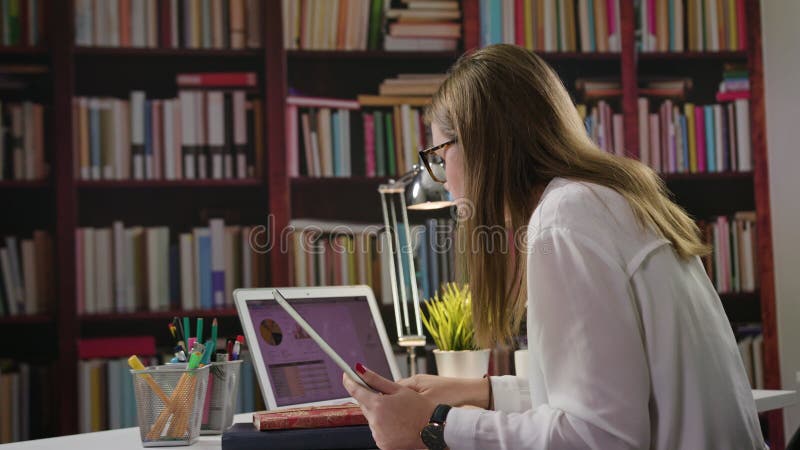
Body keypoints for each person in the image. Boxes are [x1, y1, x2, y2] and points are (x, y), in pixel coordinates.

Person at [342, 44, 766, 450]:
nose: (442, 178)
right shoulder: (605, 198)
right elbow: (608, 389)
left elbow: (600, 437)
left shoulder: (564, 221)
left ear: (481, 145)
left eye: (439, 154)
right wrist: (481, 391)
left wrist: (436, 425)